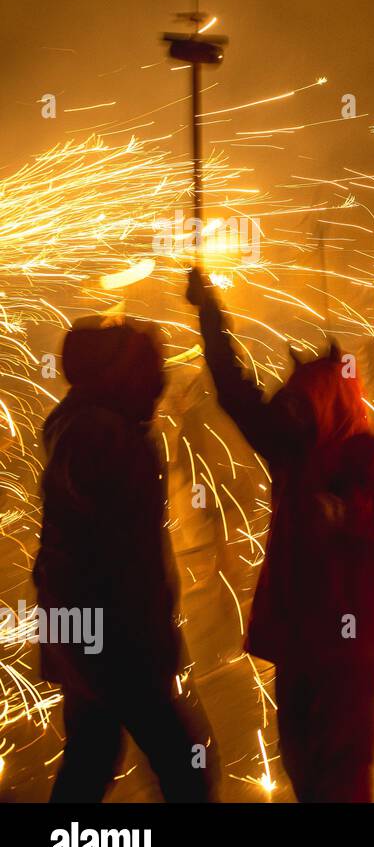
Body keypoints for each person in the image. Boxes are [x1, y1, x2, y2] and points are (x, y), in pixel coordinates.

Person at [186, 268, 374, 802]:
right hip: (299, 634)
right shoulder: (293, 449)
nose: (287, 414)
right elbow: (238, 395)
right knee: (299, 754)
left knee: (343, 765)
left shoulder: (369, 449)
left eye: (301, 404)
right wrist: (211, 314)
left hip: (349, 640)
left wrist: (349, 511)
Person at [34, 316, 216, 802]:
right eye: (147, 365)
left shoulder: (88, 426)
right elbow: (115, 557)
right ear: (118, 374)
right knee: (181, 760)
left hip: (88, 634)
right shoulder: (104, 437)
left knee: (92, 754)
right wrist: (136, 640)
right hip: (111, 639)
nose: (160, 376)